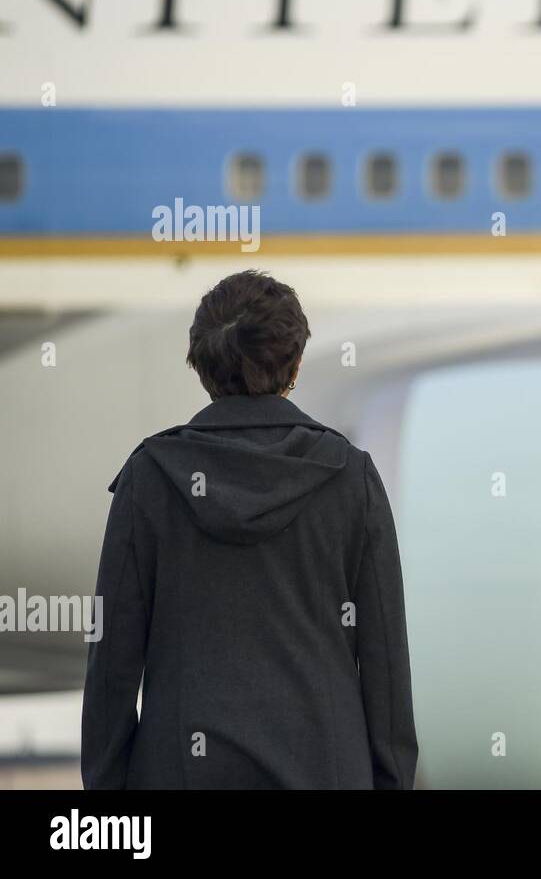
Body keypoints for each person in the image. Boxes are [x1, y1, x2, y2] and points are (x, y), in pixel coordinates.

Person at [81, 270, 418, 789]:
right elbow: (386, 665)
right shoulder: (351, 477)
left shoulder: (150, 477)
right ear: (296, 362)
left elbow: (112, 664)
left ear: (201, 367)